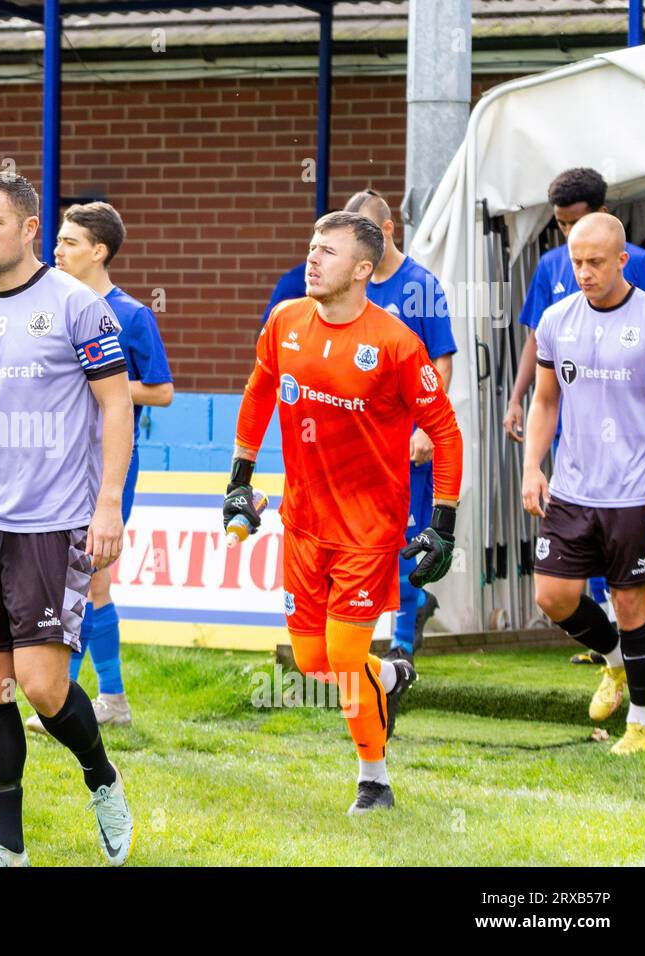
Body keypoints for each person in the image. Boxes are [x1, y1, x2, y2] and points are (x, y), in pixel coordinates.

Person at [225, 211, 462, 815]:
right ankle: (390, 676)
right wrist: (239, 481)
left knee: (345, 658)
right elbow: (257, 394)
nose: (312, 259)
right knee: (312, 661)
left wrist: (443, 523)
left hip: (368, 529)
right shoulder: (285, 321)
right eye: (311, 247)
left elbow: (447, 432)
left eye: (327, 252)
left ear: (362, 269)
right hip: (302, 521)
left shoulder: (395, 342)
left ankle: (374, 780)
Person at [0, 170, 135, 866]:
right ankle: (7, 845)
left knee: (45, 685)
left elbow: (117, 407)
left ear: (28, 230)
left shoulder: (80, 307)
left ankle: (101, 776)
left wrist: (107, 505)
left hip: (54, 522)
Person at [20, 200, 173, 730]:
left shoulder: (132, 314)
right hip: (55, 463)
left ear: (99, 251)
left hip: (107, 466)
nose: (56, 250)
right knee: (79, 581)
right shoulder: (51, 306)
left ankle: (90, 699)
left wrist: (97, 381)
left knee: (93, 581)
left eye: (68, 242)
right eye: (57, 241)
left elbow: (162, 390)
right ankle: (99, 698)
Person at [521, 213, 645, 755]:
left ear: (622, 261)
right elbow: (546, 401)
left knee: (631, 606)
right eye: (576, 261)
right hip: (573, 489)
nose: (584, 272)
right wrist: (534, 467)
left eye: (596, 262)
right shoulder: (557, 320)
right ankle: (615, 661)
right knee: (552, 596)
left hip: (634, 492)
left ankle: (642, 722)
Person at [344, 189, 456, 663]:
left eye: (365, 237)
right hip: (361, 441)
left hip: (408, 439)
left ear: (387, 230)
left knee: (407, 540)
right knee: (365, 541)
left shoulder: (420, 285)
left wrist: (428, 429)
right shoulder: (354, 283)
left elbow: (442, 361)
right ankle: (367, 633)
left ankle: (403, 647)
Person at [505, 168, 645, 441]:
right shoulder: (549, 264)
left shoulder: (639, 262)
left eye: (575, 222)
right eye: (561, 223)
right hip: (569, 424)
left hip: (631, 428)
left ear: (602, 212)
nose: (568, 232)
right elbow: (536, 339)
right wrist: (516, 398)